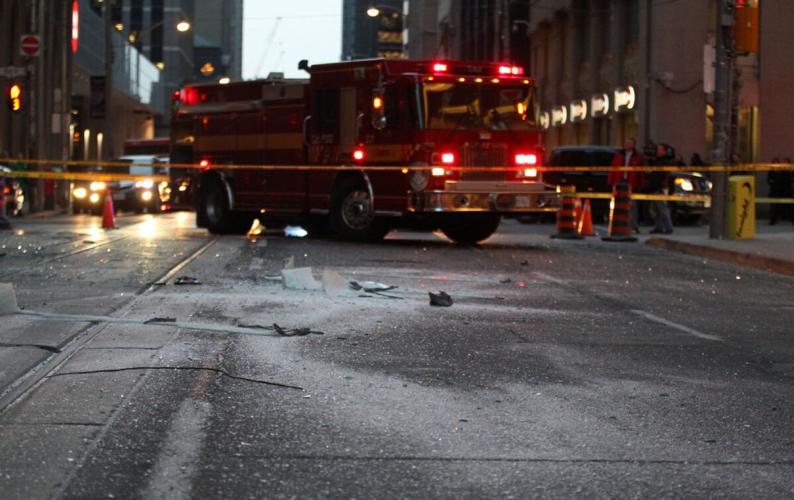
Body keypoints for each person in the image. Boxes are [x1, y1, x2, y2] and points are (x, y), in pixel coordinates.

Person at [608, 138, 645, 233]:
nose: (627, 145)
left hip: (631, 183)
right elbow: (613, 168)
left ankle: (633, 226)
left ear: (633, 145)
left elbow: (640, 172)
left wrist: (640, 184)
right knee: (617, 204)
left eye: (629, 143)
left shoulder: (637, 157)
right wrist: (611, 182)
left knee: (632, 205)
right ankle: (618, 225)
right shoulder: (619, 155)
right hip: (619, 181)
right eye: (626, 143)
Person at [646, 143, 674, 234]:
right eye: (658, 150)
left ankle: (668, 227)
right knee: (656, 208)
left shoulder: (666, 161)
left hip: (662, 187)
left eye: (661, 150)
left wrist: (664, 187)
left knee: (663, 208)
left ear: (665, 151)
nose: (658, 152)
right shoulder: (657, 161)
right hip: (655, 186)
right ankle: (659, 227)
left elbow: (665, 176)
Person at [768, 157, 793, 224]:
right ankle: (774, 219)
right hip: (776, 191)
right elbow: (769, 180)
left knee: (789, 205)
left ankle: (789, 217)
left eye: (786, 162)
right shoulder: (776, 171)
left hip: (788, 190)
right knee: (775, 206)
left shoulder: (789, 171)